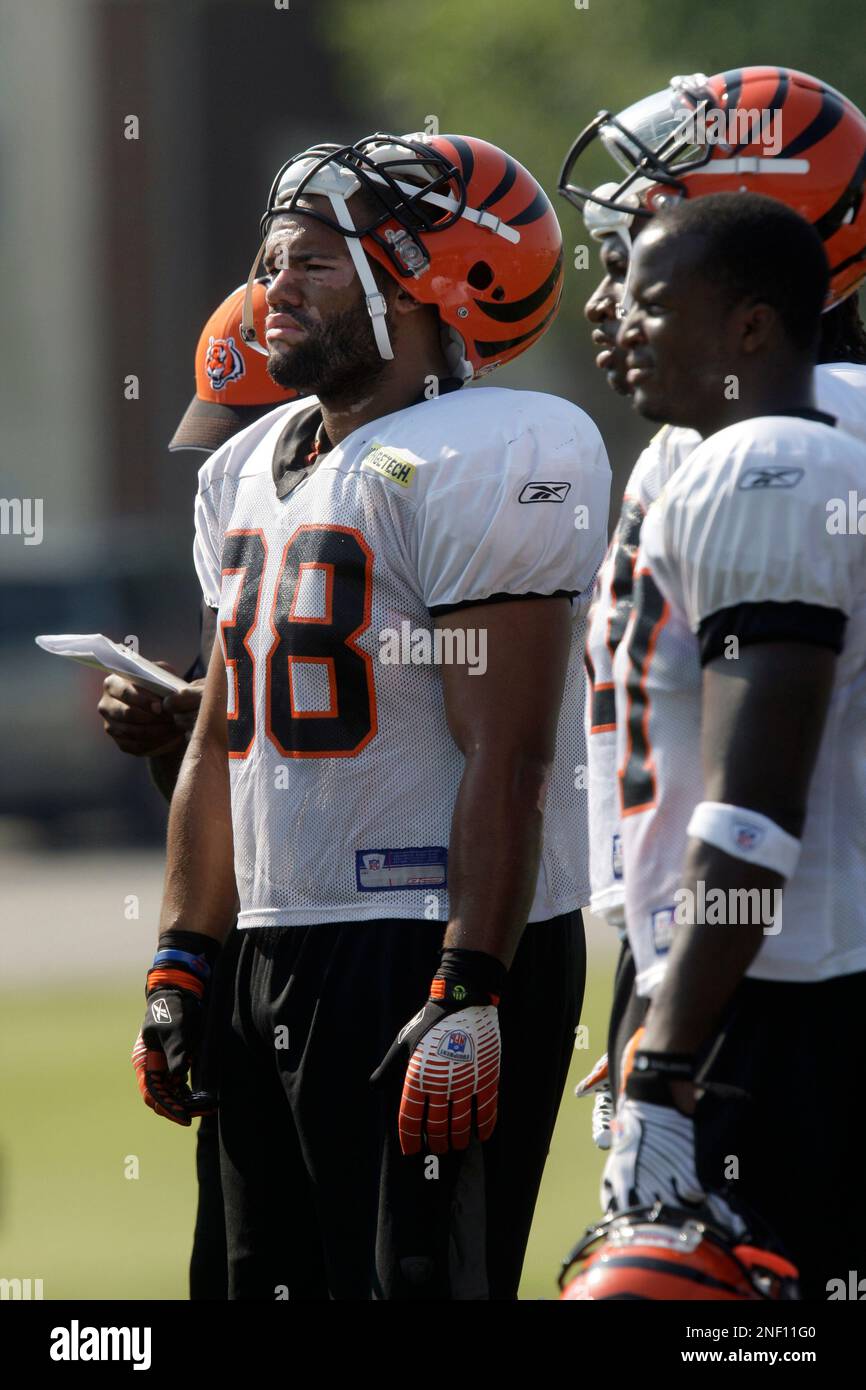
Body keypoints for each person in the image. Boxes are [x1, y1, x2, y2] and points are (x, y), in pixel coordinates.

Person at [133, 131, 611, 1300]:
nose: (272, 288)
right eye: (269, 260)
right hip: (272, 941)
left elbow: (510, 752)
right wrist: (184, 953)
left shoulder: (495, 448)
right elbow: (219, 735)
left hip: (426, 938)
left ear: (425, 284)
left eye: (313, 263)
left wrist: (469, 982)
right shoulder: (243, 464)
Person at [556, 66, 866, 1133]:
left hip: (787, 984)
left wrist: (668, 1040)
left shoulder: (781, 449)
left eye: (637, 265)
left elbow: (753, 791)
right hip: (719, 961)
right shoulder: (714, 436)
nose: (606, 303)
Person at [603, 191, 866, 1298]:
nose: (619, 322)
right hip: (752, 993)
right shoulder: (733, 462)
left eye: (654, 304)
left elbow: (750, 816)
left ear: (749, 328)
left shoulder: (765, 465)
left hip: (782, 1004)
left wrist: (667, 1059)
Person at [99, 279, 292, 1299]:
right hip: (252, 937)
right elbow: (238, 805)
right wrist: (169, 737)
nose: (233, 467)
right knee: (238, 1261)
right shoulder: (244, 512)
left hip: (380, 935)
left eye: (251, 434)